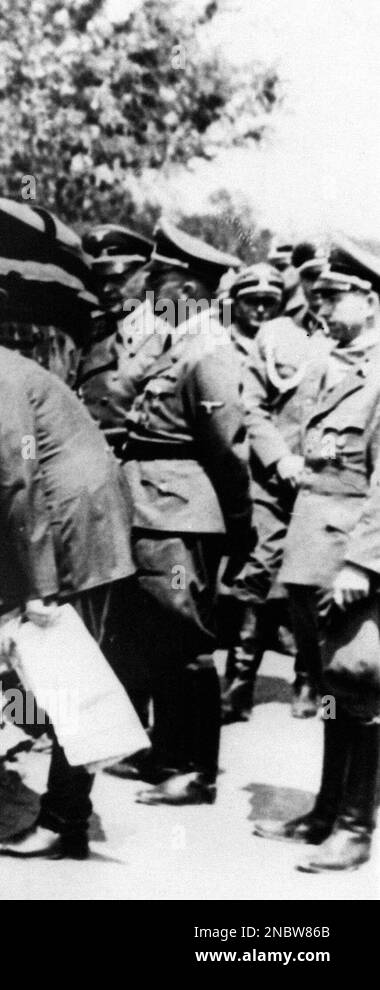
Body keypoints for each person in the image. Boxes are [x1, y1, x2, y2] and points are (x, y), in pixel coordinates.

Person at [0, 275, 136, 860]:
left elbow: (18, 480)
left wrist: (40, 589)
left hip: (70, 532)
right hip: (73, 521)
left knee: (67, 673)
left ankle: (65, 823)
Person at [115, 221, 254, 805]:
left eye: (163, 282)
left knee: (185, 642)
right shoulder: (177, 345)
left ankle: (197, 771)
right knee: (156, 639)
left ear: (193, 289)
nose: (151, 291)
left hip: (181, 517)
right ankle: (167, 753)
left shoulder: (207, 353)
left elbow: (229, 449)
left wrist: (239, 528)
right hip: (154, 510)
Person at [253, 239, 380, 872]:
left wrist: (364, 561)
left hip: (353, 557)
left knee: (360, 682)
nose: (319, 307)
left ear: (371, 301)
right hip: (312, 547)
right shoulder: (329, 365)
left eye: (332, 296)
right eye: (318, 295)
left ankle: (356, 828)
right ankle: (327, 810)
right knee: (333, 683)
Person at [221, 264, 333, 720]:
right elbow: (253, 405)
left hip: (328, 482)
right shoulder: (275, 334)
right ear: (300, 284)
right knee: (257, 572)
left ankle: (310, 678)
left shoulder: (357, 339)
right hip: (272, 480)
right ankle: (240, 682)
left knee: (317, 579)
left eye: (329, 286)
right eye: (311, 283)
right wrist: (278, 458)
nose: (317, 293)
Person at [75, 224, 159, 454]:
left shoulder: (166, 333)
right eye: (100, 280)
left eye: (117, 279)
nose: (106, 289)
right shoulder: (94, 331)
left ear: (145, 278)